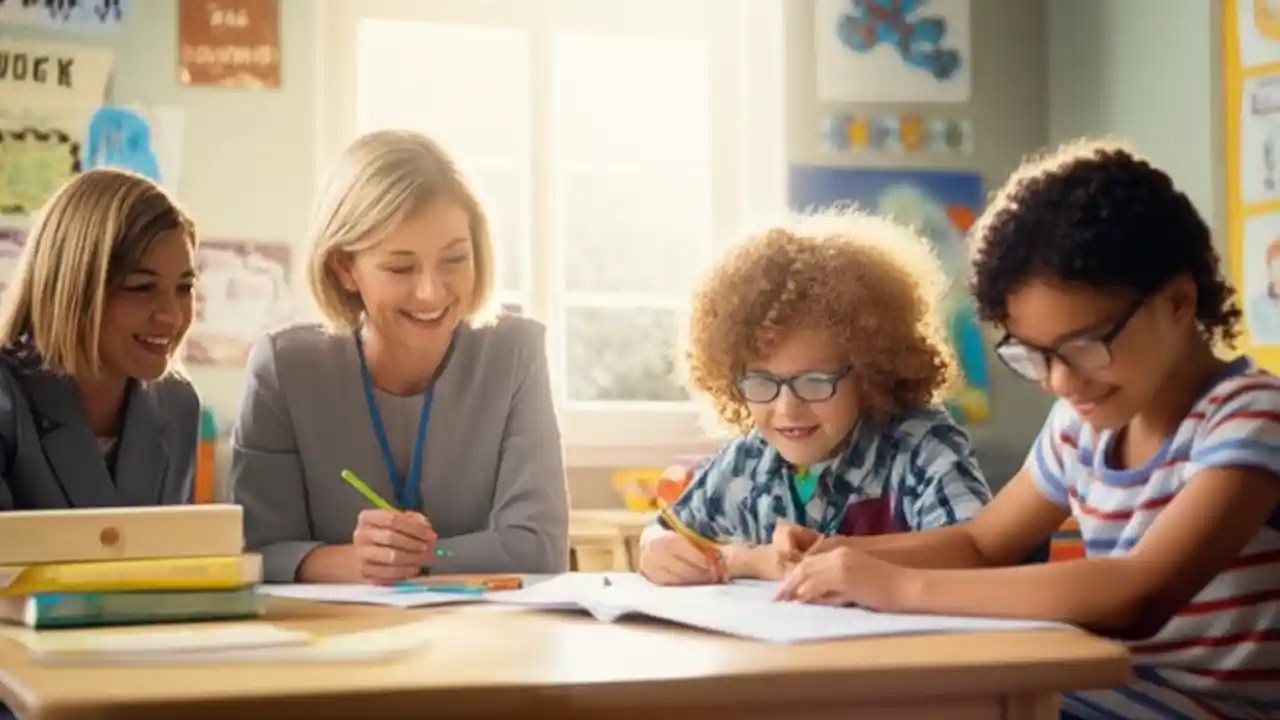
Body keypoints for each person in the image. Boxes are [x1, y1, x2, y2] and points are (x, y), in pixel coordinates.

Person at [776, 140, 1280, 719]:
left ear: (1177, 301)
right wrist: (841, 553)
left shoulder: (1251, 417)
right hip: (1097, 695)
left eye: (1085, 346)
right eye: (1035, 356)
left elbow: (1137, 593)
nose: (1061, 382)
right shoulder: (1083, 425)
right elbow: (981, 543)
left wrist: (895, 587)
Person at [231, 129, 569, 584]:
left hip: (485, 637)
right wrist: (357, 560)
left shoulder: (515, 354)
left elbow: (539, 548)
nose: (431, 292)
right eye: (400, 267)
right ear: (344, 268)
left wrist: (425, 556)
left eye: (454, 259)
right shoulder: (285, 370)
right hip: (336, 642)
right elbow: (256, 553)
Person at [638, 213, 992, 585]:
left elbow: (980, 551)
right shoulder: (746, 462)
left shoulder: (921, 447)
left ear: (870, 372)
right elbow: (665, 532)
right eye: (761, 382)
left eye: (815, 381)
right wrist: (655, 545)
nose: (788, 408)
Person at [0, 168, 201, 510]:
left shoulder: (177, 404)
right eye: (141, 288)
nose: (173, 316)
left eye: (184, 288)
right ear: (74, 290)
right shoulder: (6, 399)